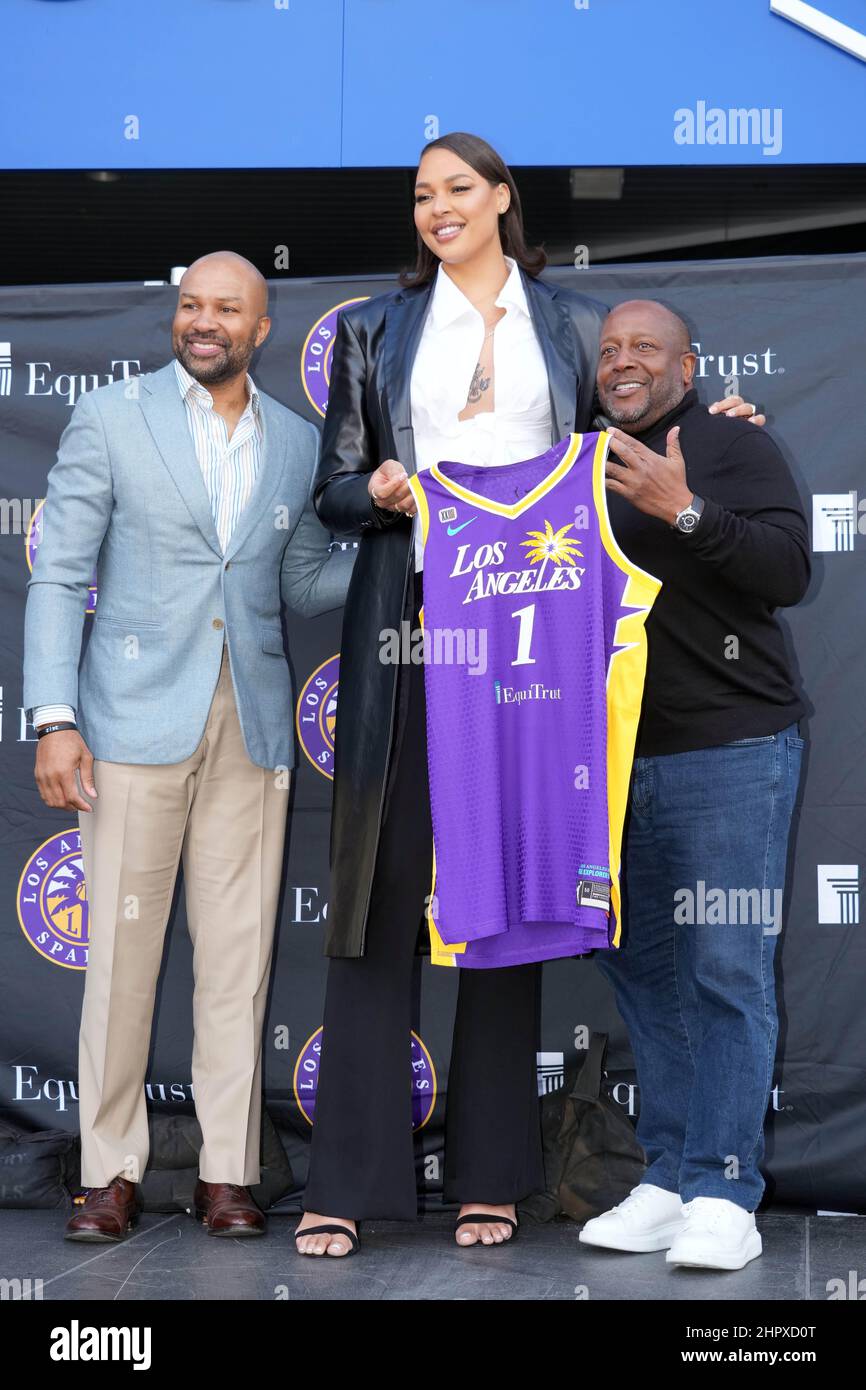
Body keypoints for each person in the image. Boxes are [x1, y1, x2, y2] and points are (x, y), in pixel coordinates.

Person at [295, 133, 759, 1258]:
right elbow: (332, 493)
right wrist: (381, 486)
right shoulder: (372, 332)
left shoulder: (567, 323)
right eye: (419, 195)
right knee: (378, 897)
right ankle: (348, 1180)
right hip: (409, 630)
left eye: (458, 189)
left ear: (502, 200)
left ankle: (490, 1173)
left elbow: (636, 429)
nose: (437, 208)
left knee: (498, 890)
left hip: (534, 632)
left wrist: (718, 427)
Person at [24, 251, 355, 1242]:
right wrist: (55, 715)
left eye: (226, 310)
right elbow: (58, 575)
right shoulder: (112, 418)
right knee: (121, 957)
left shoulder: (296, 445)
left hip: (249, 731)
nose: (202, 323)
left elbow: (299, 584)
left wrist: (403, 539)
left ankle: (226, 1173)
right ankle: (108, 1171)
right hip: (127, 726)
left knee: (238, 962)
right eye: (190, 306)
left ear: (261, 330)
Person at [578, 300, 809, 1271]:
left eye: (644, 348)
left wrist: (683, 507)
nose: (622, 362)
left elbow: (787, 568)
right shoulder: (572, 465)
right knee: (646, 981)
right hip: (609, 764)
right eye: (608, 349)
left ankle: (724, 1189)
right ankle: (669, 1177)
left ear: (687, 364)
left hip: (732, 750)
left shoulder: (729, 444)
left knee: (724, 970)